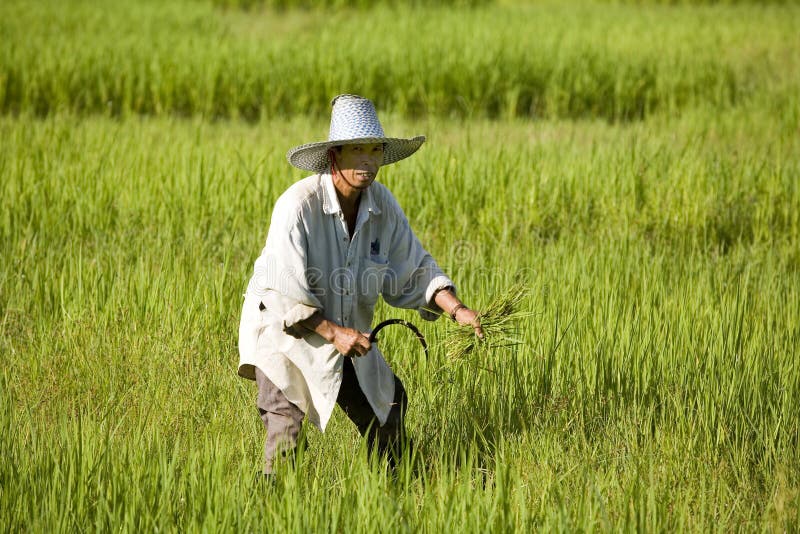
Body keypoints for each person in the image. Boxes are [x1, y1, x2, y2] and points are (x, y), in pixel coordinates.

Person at [238, 94, 483, 477]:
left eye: (374, 150)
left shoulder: (382, 206)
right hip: (286, 335)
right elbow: (283, 293)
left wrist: (457, 309)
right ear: (335, 155)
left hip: (346, 329)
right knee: (285, 429)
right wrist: (333, 333)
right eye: (357, 150)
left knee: (389, 406)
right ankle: (269, 510)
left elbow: (414, 266)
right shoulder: (298, 206)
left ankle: (395, 491)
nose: (368, 161)